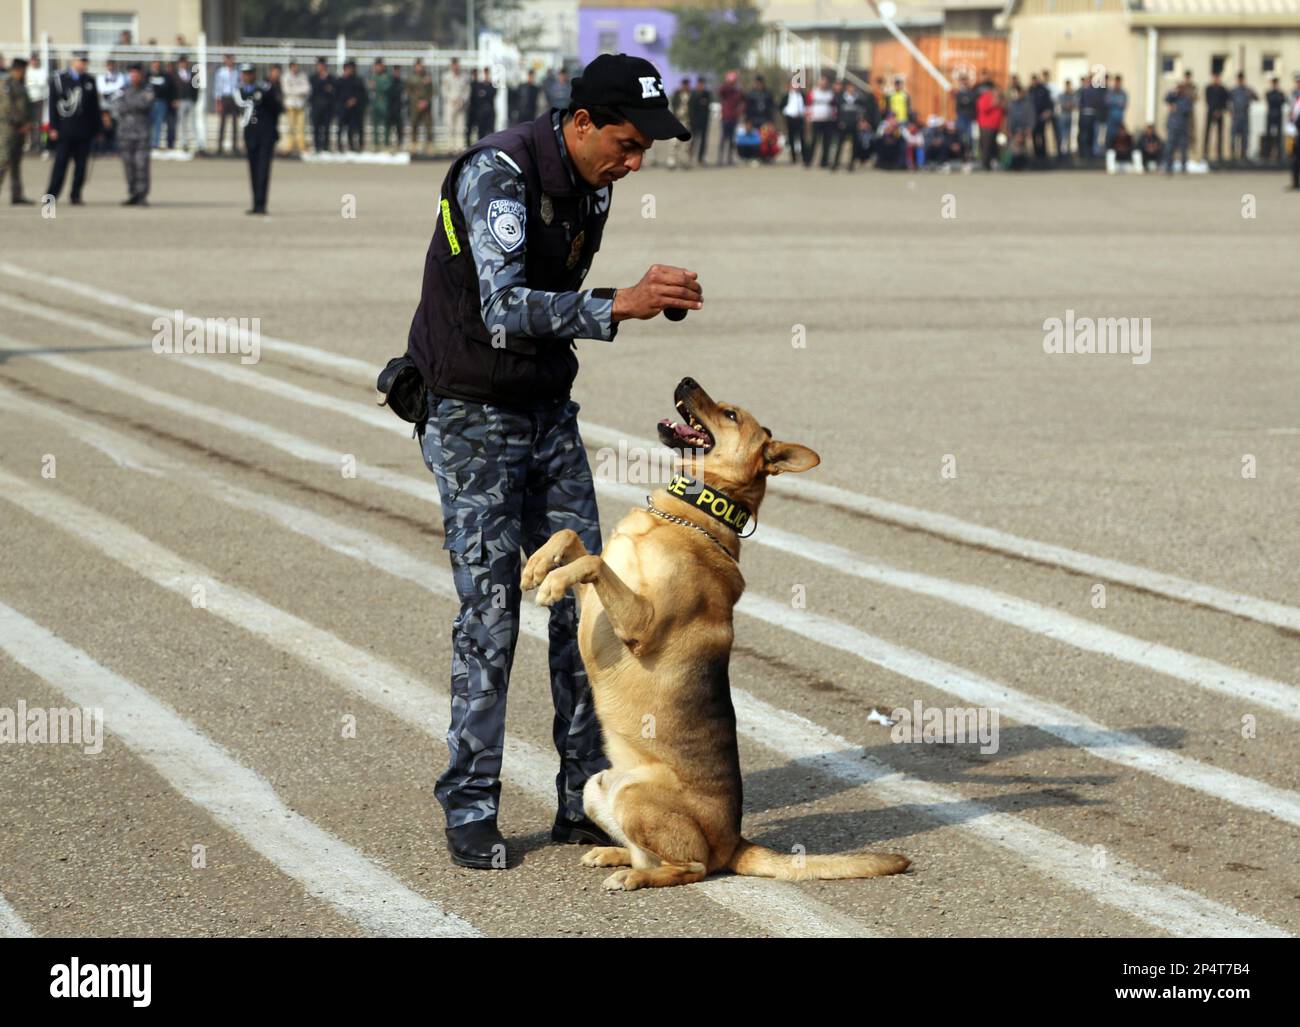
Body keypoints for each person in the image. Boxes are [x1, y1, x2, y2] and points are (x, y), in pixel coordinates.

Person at [402, 52, 701, 869]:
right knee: (492, 611)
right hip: (468, 415)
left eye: (645, 149)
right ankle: (470, 802)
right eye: (627, 142)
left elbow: (553, 292)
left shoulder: (593, 183)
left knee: (591, 603)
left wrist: (639, 302)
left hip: (543, 413)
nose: (635, 163)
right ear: (579, 123)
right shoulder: (496, 173)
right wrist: (619, 302)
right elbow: (501, 304)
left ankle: (583, 797)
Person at [45, 51, 102, 206]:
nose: (83, 64)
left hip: (84, 131)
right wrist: (53, 127)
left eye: (85, 62)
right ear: (73, 61)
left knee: (81, 166)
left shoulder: (89, 80)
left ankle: (75, 195)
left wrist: (98, 129)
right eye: (80, 61)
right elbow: (53, 105)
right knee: (60, 165)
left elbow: (94, 108)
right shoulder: (60, 79)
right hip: (65, 129)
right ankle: (50, 196)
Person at [238, 63, 282, 214]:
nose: (246, 76)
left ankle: (262, 204)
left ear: (254, 74)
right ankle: (255, 203)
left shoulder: (265, 89)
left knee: (263, 169)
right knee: (253, 170)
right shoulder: (242, 91)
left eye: (249, 73)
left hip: (265, 134)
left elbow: (276, 109)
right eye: (244, 73)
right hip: (251, 135)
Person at [113, 63, 153, 205]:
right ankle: (133, 193)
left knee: (141, 165)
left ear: (141, 75)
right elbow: (118, 106)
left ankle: (142, 195)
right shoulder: (123, 89)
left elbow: (145, 105)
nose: (134, 76)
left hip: (142, 134)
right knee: (128, 165)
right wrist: (134, 104)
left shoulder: (147, 89)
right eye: (132, 74)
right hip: (125, 134)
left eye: (136, 74)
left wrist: (130, 104)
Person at [1, 57, 33, 205]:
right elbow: (8, 107)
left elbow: (28, 106)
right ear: (18, 69)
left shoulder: (21, 85)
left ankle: (17, 195)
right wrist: (20, 123)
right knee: (3, 161)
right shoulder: (7, 84)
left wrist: (28, 123)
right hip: (8, 129)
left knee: (16, 163)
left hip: (20, 130)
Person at [829, 81, 862, 172]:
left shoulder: (858, 99)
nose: (851, 89)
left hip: (854, 125)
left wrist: (860, 122)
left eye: (853, 87)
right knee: (840, 144)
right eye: (850, 87)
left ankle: (851, 164)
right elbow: (838, 112)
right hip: (843, 125)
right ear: (847, 88)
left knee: (854, 145)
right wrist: (840, 122)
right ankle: (836, 163)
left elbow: (860, 112)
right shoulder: (840, 98)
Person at [96, 58, 126, 154]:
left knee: (116, 126)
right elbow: (102, 89)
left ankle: (115, 148)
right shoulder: (101, 77)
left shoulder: (120, 76)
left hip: (116, 105)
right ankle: (104, 148)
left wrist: (110, 89)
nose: (110, 67)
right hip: (105, 105)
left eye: (112, 65)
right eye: (109, 65)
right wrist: (114, 89)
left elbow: (121, 88)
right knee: (105, 126)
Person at [805, 73, 835, 168]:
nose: (823, 84)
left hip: (828, 121)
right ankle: (808, 160)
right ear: (819, 82)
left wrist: (833, 118)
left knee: (826, 142)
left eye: (825, 82)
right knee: (813, 141)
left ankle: (824, 161)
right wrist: (808, 118)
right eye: (822, 82)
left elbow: (834, 107)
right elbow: (808, 106)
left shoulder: (830, 94)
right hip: (816, 120)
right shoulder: (813, 93)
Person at [336, 60, 366, 151]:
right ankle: (339, 146)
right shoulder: (340, 81)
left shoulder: (357, 80)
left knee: (352, 129)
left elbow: (361, 94)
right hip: (342, 108)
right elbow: (337, 95)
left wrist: (354, 100)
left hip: (354, 109)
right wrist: (345, 102)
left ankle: (353, 146)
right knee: (340, 128)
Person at [213, 53, 240, 155]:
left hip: (234, 98)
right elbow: (218, 87)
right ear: (225, 60)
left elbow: (238, 85)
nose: (230, 62)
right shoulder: (221, 72)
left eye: (232, 59)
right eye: (228, 59)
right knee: (222, 123)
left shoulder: (236, 72)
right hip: (224, 98)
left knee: (234, 123)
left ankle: (235, 146)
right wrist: (218, 102)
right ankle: (220, 146)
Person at [281, 60, 309, 156]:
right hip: (290, 105)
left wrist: (295, 90)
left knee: (301, 127)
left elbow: (307, 88)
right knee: (290, 127)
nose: (295, 68)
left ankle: (301, 146)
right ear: (291, 67)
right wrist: (298, 91)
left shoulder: (302, 75)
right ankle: (289, 147)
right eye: (293, 66)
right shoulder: (286, 76)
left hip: (300, 105)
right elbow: (286, 90)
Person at [407, 58, 434, 154]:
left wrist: (426, 101)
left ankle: (430, 145)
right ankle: (414, 145)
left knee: (428, 125)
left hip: (426, 105)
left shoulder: (428, 77)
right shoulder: (411, 78)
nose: (419, 68)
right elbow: (409, 92)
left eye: (421, 66)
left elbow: (432, 91)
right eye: (417, 66)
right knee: (414, 125)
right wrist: (416, 102)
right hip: (415, 105)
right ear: (415, 67)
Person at [441, 58, 468, 154]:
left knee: (460, 126)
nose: (456, 67)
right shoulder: (446, 77)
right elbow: (444, 90)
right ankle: (450, 147)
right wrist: (451, 100)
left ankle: (459, 146)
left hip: (461, 104)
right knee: (449, 126)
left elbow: (466, 91)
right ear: (451, 66)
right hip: (450, 104)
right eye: (454, 65)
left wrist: (463, 100)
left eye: (457, 65)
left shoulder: (464, 77)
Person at [1229, 73, 1258, 162]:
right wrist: (1230, 112)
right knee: (1234, 137)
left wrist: (1251, 94)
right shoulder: (1234, 91)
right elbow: (1228, 102)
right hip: (1236, 116)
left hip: (1245, 116)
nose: (1241, 81)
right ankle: (1233, 155)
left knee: (1245, 137)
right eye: (1239, 79)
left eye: (1242, 79)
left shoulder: (1248, 90)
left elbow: (1257, 98)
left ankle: (1243, 155)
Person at [1164, 82, 1192, 174]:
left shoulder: (1186, 99)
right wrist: (1173, 92)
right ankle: (1169, 167)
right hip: (1172, 127)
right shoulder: (1173, 98)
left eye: (1181, 89)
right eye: (1178, 88)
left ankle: (1183, 167)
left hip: (1183, 128)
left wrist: (1177, 107)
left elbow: (1187, 110)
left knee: (1183, 149)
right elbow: (1166, 98)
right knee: (1169, 148)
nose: (1179, 90)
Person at [308, 58, 336, 152]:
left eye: (322, 66)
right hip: (316, 106)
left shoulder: (331, 78)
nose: (320, 68)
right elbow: (313, 90)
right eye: (318, 66)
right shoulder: (313, 78)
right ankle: (316, 146)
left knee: (326, 127)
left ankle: (326, 146)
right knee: (316, 127)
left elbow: (333, 90)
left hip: (327, 107)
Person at [717, 70, 742, 166]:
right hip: (725, 117)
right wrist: (727, 83)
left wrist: (739, 111)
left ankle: (729, 159)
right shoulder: (725, 90)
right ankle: (720, 159)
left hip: (733, 117)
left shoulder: (737, 91)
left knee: (732, 139)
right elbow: (720, 91)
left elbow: (742, 101)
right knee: (723, 138)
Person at [976, 83, 1004, 170]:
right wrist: (993, 104)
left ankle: (993, 162)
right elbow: (982, 108)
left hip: (996, 125)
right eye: (997, 90)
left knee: (993, 145)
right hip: (986, 125)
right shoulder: (985, 97)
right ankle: (985, 164)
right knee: (986, 145)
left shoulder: (1001, 98)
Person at [1203, 71, 1228, 163]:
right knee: (1207, 133)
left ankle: (1219, 154)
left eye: (1217, 78)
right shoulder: (1208, 88)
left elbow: (1225, 101)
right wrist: (1213, 111)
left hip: (1220, 113)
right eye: (1214, 77)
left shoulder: (1223, 89)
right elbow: (1208, 101)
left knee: (1220, 134)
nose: (1216, 79)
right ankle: (1205, 153)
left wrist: (1220, 111)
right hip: (1210, 112)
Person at [668, 77, 693, 168]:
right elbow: (672, 106)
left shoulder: (691, 95)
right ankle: (672, 161)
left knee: (687, 144)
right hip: (677, 121)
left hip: (687, 121)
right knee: (674, 143)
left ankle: (685, 161)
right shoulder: (676, 94)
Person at [25, 55, 47, 154]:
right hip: (29, 99)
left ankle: (37, 143)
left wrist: (32, 83)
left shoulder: (42, 71)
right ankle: (29, 143)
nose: (33, 62)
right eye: (32, 61)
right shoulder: (27, 71)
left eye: (35, 60)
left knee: (38, 122)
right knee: (29, 122)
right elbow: (27, 83)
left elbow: (42, 83)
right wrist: (34, 83)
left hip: (39, 99)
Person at [688, 75, 711, 164]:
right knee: (692, 140)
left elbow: (707, 105)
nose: (701, 85)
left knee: (703, 140)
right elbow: (691, 107)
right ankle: (689, 156)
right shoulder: (693, 94)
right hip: (694, 121)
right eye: (699, 84)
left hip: (704, 121)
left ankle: (700, 158)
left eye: (702, 84)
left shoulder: (706, 94)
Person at [1264, 77, 1286, 164]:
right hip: (1270, 116)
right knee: (1269, 135)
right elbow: (1271, 100)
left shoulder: (1280, 93)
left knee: (1278, 136)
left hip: (1278, 116)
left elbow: (1282, 101)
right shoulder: (1269, 93)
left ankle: (1279, 155)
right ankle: (1267, 154)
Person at [954, 74, 976, 157]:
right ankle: (962, 155)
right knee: (961, 137)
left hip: (970, 117)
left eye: (965, 80)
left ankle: (970, 154)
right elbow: (960, 103)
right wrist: (965, 101)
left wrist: (966, 101)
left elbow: (972, 101)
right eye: (962, 80)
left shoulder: (971, 92)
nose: (964, 82)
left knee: (970, 137)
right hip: (961, 117)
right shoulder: (958, 92)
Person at [472, 66, 496, 141]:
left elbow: (492, 94)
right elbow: (477, 96)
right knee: (481, 131)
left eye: (487, 73)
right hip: (481, 111)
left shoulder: (492, 86)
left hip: (490, 111)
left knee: (490, 131)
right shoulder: (478, 85)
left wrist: (484, 93)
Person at [1104, 73, 1127, 151]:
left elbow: (1123, 104)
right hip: (1111, 118)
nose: (1117, 84)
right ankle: (1108, 151)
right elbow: (1107, 103)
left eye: (1119, 82)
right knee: (1110, 136)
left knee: (1119, 137)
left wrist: (1114, 102)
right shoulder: (1110, 92)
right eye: (1116, 82)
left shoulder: (1123, 93)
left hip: (1119, 118)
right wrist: (1117, 102)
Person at [387, 63, 405, 150]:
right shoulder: (389, 81)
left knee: (399, 127)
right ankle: (388, 144)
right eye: (396, 71)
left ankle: (399, 144)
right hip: (390, 108)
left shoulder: (401, 82)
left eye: (399, 71)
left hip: (399, 108)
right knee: (389, 127)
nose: (397, 73)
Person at [1056, 78, 1076, 158]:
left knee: (1069, 134)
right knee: (1062, 134)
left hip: (1070, 116)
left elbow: (1074, 104)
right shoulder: (1061, 95)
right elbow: (1062, 104)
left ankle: (1067, 150)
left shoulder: (1073, 95)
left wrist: (1069, 105)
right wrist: (1067, 105)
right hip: (1063, 116)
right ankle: (1062, 150)